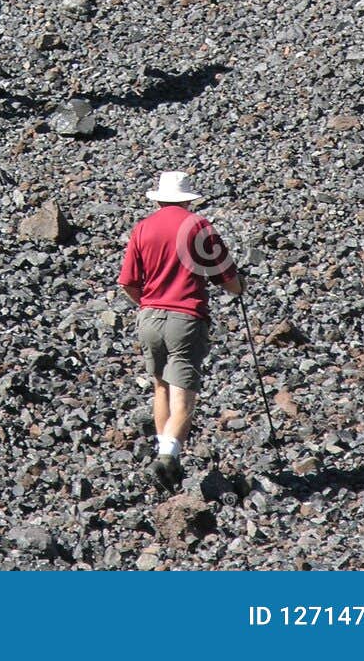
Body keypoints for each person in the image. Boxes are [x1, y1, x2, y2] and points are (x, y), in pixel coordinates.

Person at [118, 169, 243, 491]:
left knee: (160, 387)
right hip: (185, 319)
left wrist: (147, 304)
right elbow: (227, 280)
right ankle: (168, 457)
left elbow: (128, 282)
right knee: (183, 396)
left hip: (148, 317)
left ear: (159, 198)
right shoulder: (197, 226)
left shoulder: (142, 228)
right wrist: (239, 287)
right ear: (188, 199)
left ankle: (166, 462)